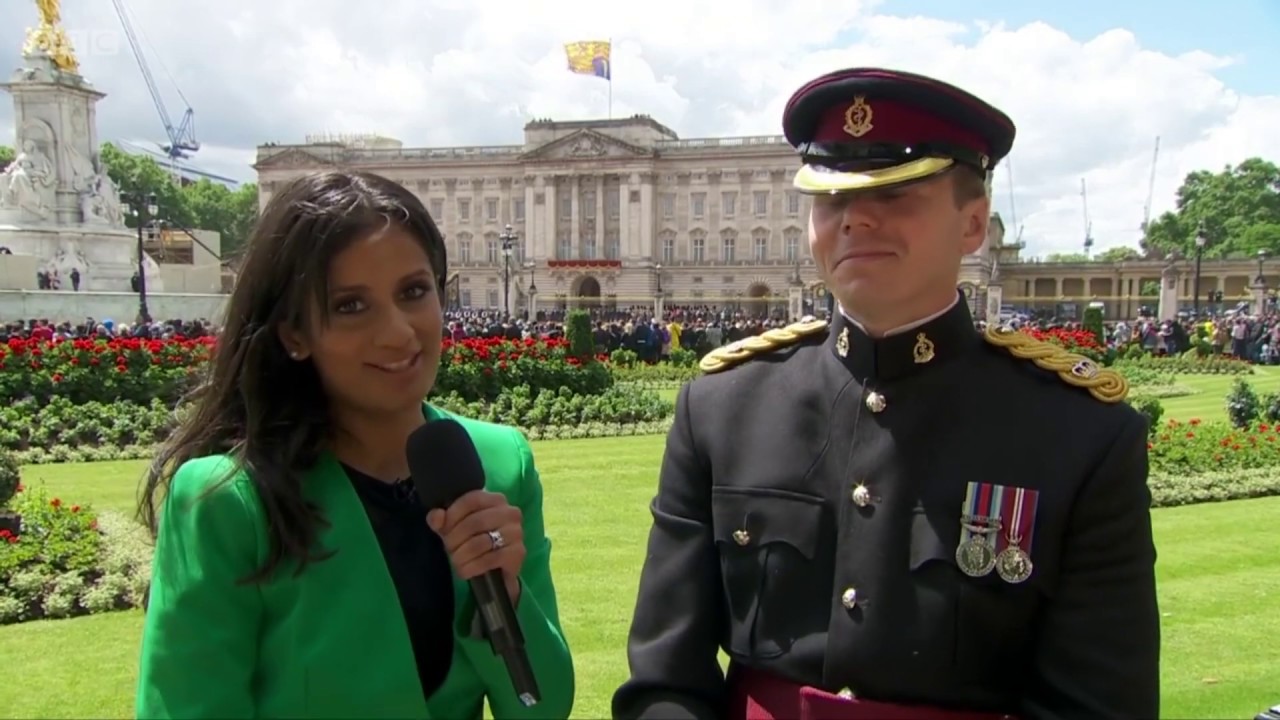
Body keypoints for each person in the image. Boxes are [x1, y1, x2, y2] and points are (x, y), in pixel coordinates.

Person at [613, 68, 1159, 719]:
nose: (856, 218)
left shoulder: (1081, 434)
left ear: (974, 224)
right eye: (831, 197)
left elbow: (1097, 705)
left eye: (896, 193)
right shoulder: (722, 407)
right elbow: (666, 681)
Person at [134, 170, 575, 719]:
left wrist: (506, 600)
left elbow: (543, 708)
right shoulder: (228, 501)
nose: (398, 332)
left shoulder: (499, 464)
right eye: (350, 305)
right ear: (294, 334)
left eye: (414, 292)